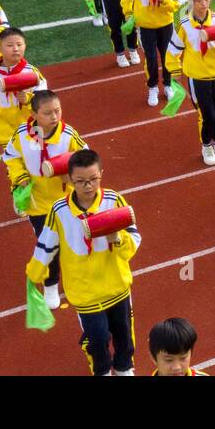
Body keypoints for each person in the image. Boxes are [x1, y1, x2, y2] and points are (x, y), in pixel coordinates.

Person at [26, 149, 141, 376]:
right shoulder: (59, 211)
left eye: (93, 179)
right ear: (69, 178)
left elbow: (135, 239)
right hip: (85, 292)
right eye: (80, 181)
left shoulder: (114, 200)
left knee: (124, 335)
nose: (88, 186)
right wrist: (35, 273)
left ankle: (124, 367)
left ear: (101, 175)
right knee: (97, 340)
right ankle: (102, 371)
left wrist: (118, 240)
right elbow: (47, 243)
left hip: (116, 285)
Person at [3, 89, 87, 310]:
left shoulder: (68, 134)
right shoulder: (22, 134)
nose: (55, 117)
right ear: (34, 114)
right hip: (38, 203)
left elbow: (87, 157)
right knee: (49, 244)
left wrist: (72, 175)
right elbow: (10, 156)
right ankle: (51, 285)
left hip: (65, 201)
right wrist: (19, 177)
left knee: (72, 239)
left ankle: (74, 274)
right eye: (48, 113)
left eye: (57, 111)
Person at [165, 0, 215, 166]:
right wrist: (174, 73)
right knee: (207, 114)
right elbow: (173, 50)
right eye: (198, 0)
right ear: (190, 2)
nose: (203, 4)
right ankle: (207, 145)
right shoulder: (184, 26)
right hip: (198, 77)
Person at [121, 0, 180, 107]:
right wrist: (128, 13)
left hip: (165, 25)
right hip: (145, 27)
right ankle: (153, 87)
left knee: (167, 57)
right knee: (151, 59)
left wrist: (163, 0)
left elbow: (176, 4)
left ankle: (168, 85)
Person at [0, 27, 46, 149]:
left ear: (25, 46)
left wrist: (28, 99)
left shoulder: (32, 72)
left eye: (19, 44)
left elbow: (44, 99)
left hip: (32, 126)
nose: (16, 49)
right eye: (10, 45)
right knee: (14, 163)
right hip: (4, 129)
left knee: (37, 160)